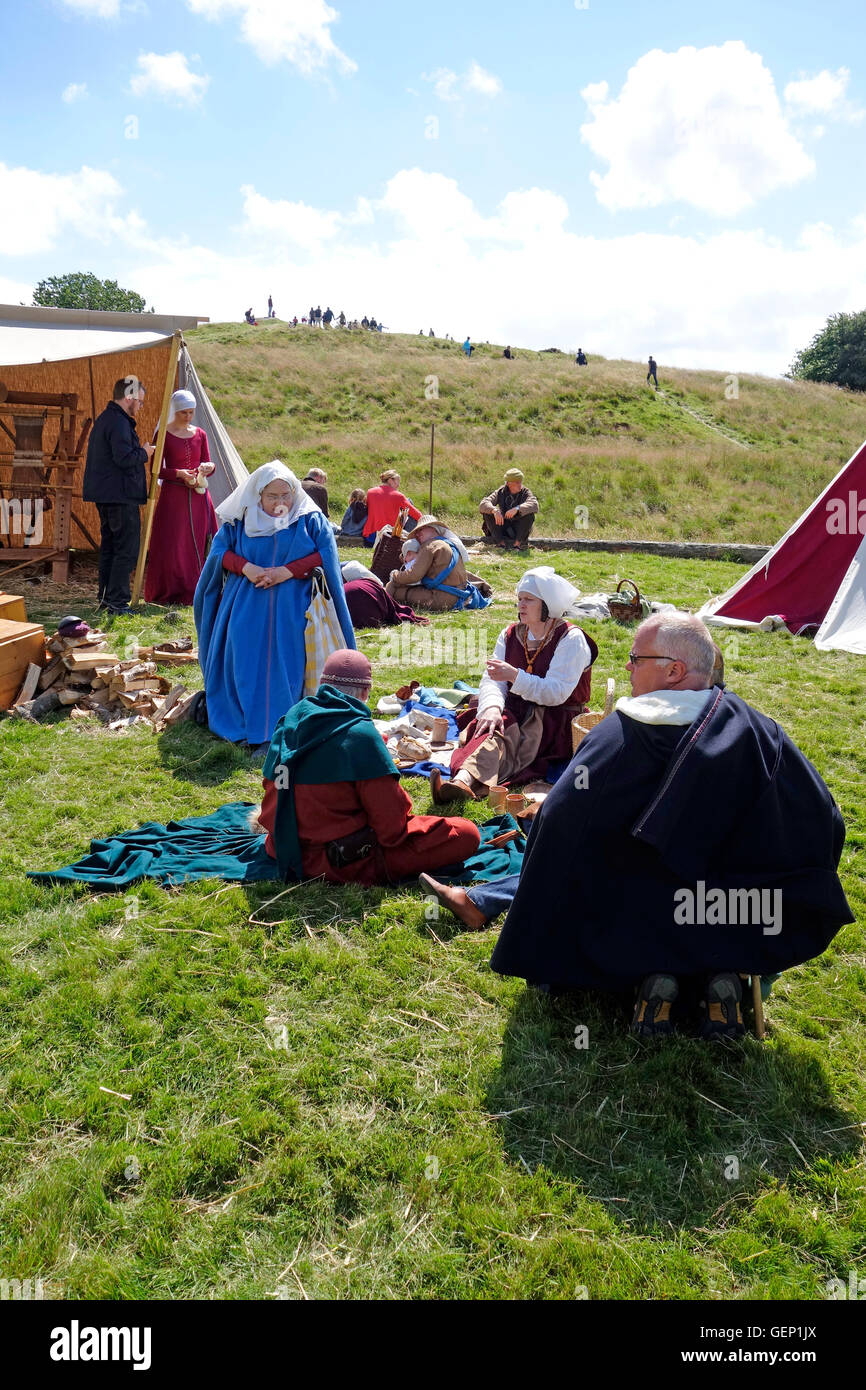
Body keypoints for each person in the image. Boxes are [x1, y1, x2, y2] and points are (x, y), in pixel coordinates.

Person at [471, 612, 853, 1039]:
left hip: (635, 917)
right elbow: (823, 820)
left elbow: (557, 824)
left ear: (675, 671)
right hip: (736, 916)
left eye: (637, 658)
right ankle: (718, 975)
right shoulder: (762, 733)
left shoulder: (617, 735)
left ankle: (653, 976)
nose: (628, 666)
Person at [255, 649, 481, 885]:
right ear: (365, 692)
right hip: (338, 861)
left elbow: (277, 785)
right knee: (466, 833)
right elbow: (392, 830)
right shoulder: (361, 736)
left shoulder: (289, 720)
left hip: (280, 848)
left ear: (322, 685)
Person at [193, 461, 355, 750]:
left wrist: (288, 571)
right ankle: (245, 722)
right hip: (245, 604)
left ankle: (279, 726)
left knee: (286, 664)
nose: (281, 503)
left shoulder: (309, 519)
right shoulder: (241, 521)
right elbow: (219, 552)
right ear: (258, 496)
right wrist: (246, 567)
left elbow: (325, 556)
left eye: (286, 495)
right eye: (272, 497)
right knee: (243, 657)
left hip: (294, 607)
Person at [431, 567, 596, 804]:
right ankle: (461, 783)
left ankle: (465, 781)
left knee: (511, 740)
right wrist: (491, 707)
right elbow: (492, 678)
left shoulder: (571, 639)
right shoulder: (510, 634)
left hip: (552, 721)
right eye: (519, 599)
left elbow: (556, 693)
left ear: (547, 605)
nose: (521, 605)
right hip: (515, 710)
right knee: (491, 727)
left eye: (529, 600)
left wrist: (514, 677)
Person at [82, 375, 155, 616]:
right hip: (120, 495)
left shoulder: (109, 419)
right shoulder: (118, 423)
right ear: (129, 397)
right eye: (140, 402)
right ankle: (117, 602)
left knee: (112, 548)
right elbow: (124, 458)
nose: (141, 407)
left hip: (109, 494)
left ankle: (106, 598)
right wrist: (144, 453)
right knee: (125, 549)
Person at [144, 389, 217, 606]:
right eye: (183, 412)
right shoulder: (163, 434)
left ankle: (196, 589)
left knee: (199, 540)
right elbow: (155, 470)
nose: (187, 416)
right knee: (175, 543)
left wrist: (207, 467)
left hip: (198, 496)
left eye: (191, 412)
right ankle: (172, 590)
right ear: (175, 411)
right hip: (173, 497)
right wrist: (178, 473)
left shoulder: (200, 434)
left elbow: (209, 464)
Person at [385, 515, 490, 615]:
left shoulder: (430, 545)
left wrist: (395, 575)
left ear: (434, 529)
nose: (418, 533)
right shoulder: (449, 544)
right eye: (416, 531)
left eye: (422, 529)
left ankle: (382, 603)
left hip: (441, 600)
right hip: (460, 596)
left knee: (396, 589)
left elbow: (413, 576)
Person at [479, 468, 539, 549]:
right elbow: (483, 504)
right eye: (517, 482)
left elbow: (534, 504)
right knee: (488, 513)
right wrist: (495, 510)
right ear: (508, 483)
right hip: (504, 526)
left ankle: (518, 544)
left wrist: (517, 508)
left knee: (530, 515)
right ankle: (500, 543)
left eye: (521, 481)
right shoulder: (500, 492)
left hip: (518, 528)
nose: (520, 484)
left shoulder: (525, 492)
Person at [362, 469, 422, 546]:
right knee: (409, 504)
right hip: (389, 536)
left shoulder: (370, 492)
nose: (398, 484)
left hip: (370, 536)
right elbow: (416, 514)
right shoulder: (398, 496)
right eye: (398, 481)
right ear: (390, 480)